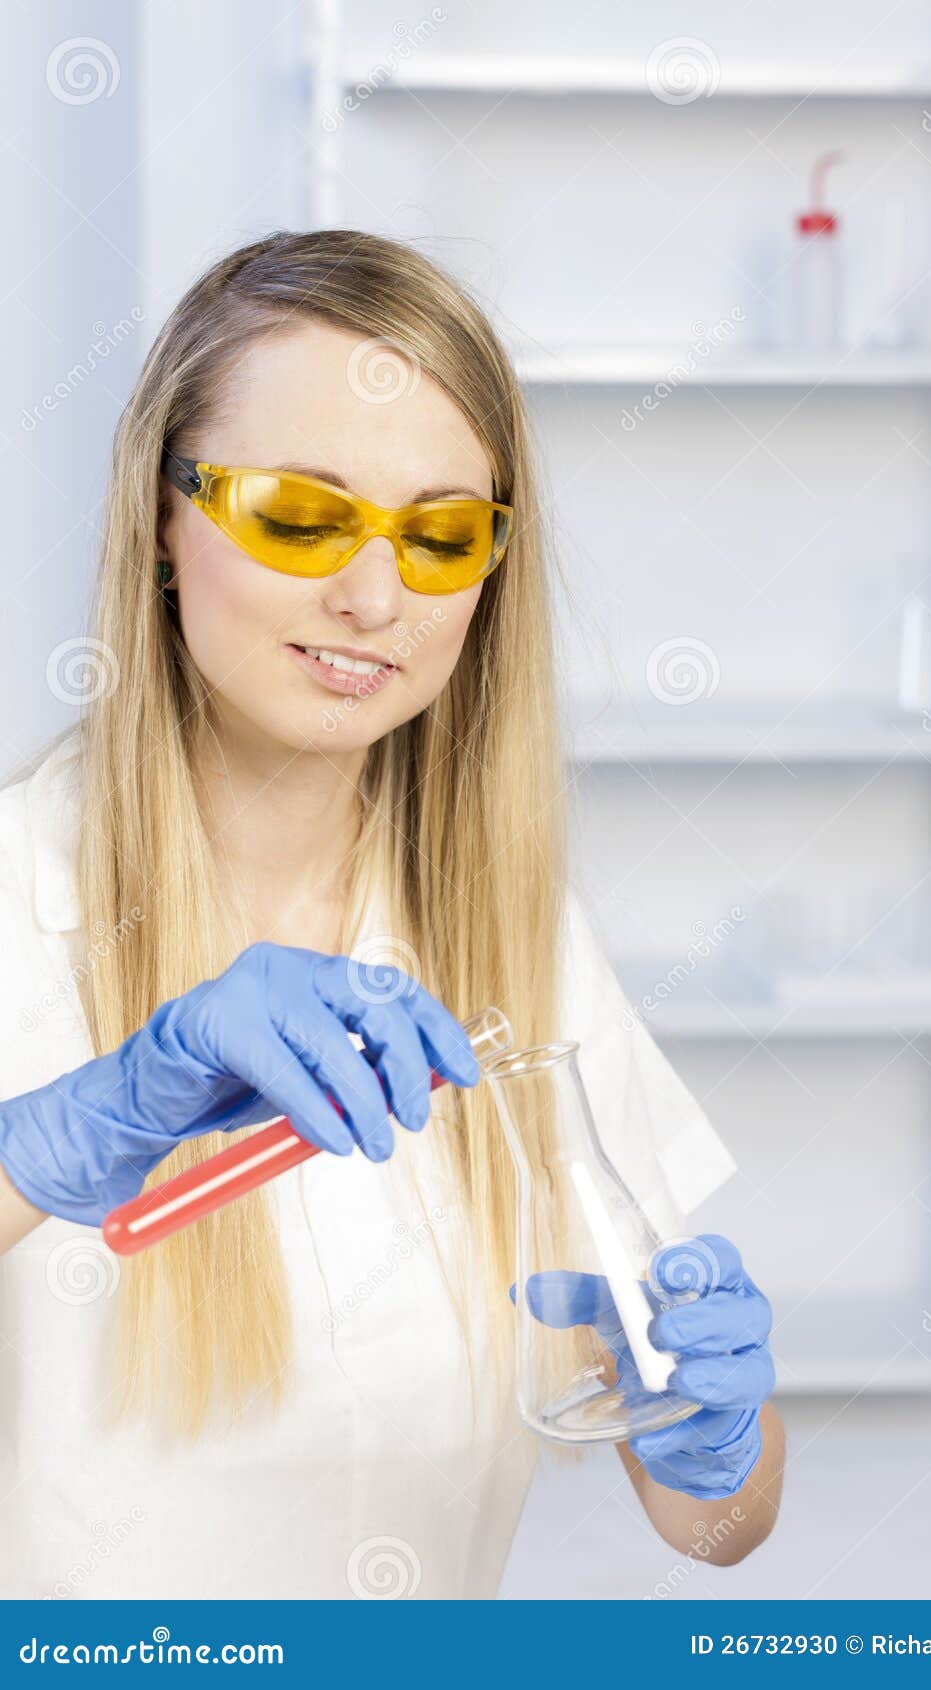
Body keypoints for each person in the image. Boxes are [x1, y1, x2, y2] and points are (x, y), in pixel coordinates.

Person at [0, 230, 783, 1599]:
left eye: (439, 536)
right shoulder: (23, 889)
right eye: (302, 516)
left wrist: (712, 1439)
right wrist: (61, 1139)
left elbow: (714, 1526)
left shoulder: (508, 928)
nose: (374, 598)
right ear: (161, 521)